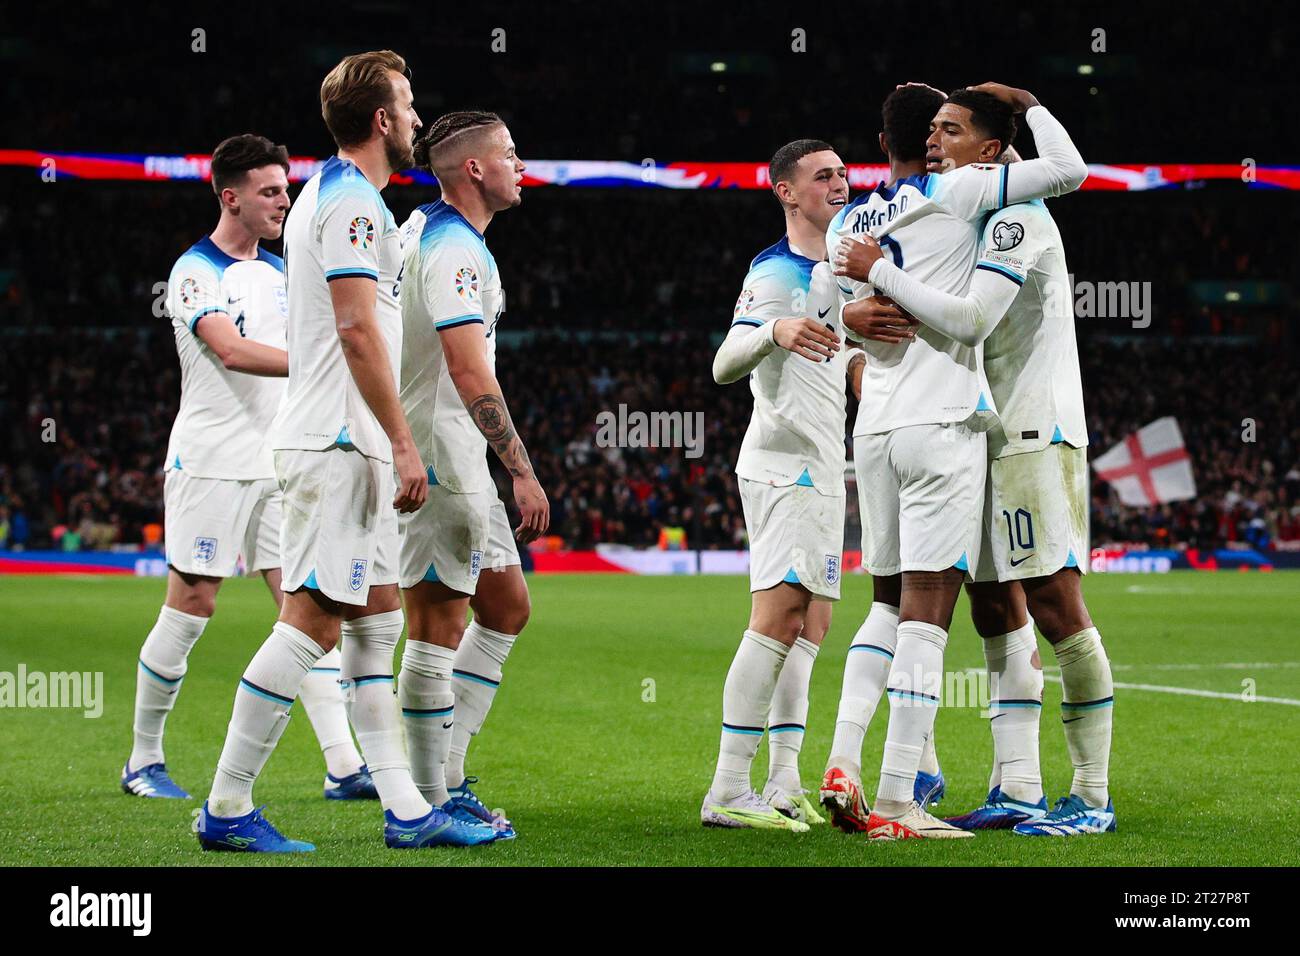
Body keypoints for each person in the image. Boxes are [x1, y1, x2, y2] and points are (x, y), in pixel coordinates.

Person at [195, 51, 499, 852]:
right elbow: (358, 327)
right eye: (404, 105)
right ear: (379, 121)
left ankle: (407, 811)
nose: (413, 118)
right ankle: (225, 807)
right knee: (309, 624)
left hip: (341, 437)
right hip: (338, 439)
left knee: (373, 623)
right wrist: (403, 442)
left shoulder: (335, 196)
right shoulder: (352, 203)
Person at [846, 89, 1114, 837]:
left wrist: (879, 272)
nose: (936, 143)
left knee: (1057, 606)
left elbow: (970, 319)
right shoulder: (961, 215)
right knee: (997, 608)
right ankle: (1019, 785)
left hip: (1035, 432)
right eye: (931, 131)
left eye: (953, 131)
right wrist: (850, 308)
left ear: (993, 151)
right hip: (982, 433)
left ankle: (1091, 796)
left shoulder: (1016, 217)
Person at [122, 133, 375, 804]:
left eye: (286, 189)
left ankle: (343, 764)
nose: (283, 201)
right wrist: (329, 361)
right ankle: (143, 759)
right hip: (210, 463)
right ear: (230, 197)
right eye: (269, 191)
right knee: (193, 605)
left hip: (280, 464)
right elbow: (230, 351)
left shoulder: (279, 272)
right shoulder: (194, 272)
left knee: (305, 607)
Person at [701, 138, 865, 831]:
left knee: (812, 624)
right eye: (822, 176)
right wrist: (775, 328)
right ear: (787, 191)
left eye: (843, 173)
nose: (839, 183)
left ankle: (780, 782)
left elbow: (846, 354)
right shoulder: (775, 272)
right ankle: (727, 790)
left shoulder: (845, 271)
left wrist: (862, 370)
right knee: (777, 618)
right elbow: (724, 363)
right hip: (785, 465)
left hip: (827, 465)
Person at [395, 111, 548, 837]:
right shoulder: (456, 249)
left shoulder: (420, 229)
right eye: (511, 155)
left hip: (450, 451)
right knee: (435, 624)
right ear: (475, 171)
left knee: (506, 607)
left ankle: (445, 775)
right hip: (438, 453)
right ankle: (425, 803)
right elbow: (466, 367)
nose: (522, 165)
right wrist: (521, 468)